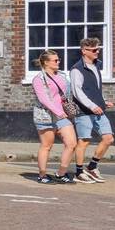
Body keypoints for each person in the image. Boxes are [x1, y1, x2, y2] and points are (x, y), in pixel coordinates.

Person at [70, 36, 114, 183]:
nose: (97, 52)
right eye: (94, 50)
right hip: (84, 111)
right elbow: (77, 92)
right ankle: (79, 172)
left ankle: (92, 167)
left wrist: (102, 101)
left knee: (108, 139)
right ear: (84, 51)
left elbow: (94, 89)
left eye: (98, 49)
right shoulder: (77, 69)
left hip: (98, 110)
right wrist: (92, 106)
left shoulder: (96, 66)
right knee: (84, 141)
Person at [32, 49, 77, 184]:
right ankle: (42, 175)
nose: (59, 62)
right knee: (47, 145)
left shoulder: (63, 76)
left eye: (59, 60)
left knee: (71, 144)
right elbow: (43, 98)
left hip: (62, 115)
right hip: (45, 115)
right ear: (46, 62)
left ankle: (61, 173)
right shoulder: (38, 79)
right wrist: (58, 111)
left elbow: (70, 93)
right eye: (55, 60)